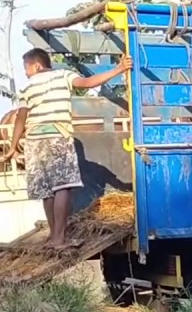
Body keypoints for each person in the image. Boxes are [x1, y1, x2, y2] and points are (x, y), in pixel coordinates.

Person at [3, 49, 132, 249]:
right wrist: (118, 69)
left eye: (26, 68)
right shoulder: (63, 75)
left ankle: (54, 237)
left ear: (36, 65)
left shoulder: (26, 87)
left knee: (46, 191)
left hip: (34, 141)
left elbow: (21, 117)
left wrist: (12, 147)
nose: (26, 73)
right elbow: (89, 83)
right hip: (57, 136)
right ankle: (59, 240)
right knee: (62, 187)